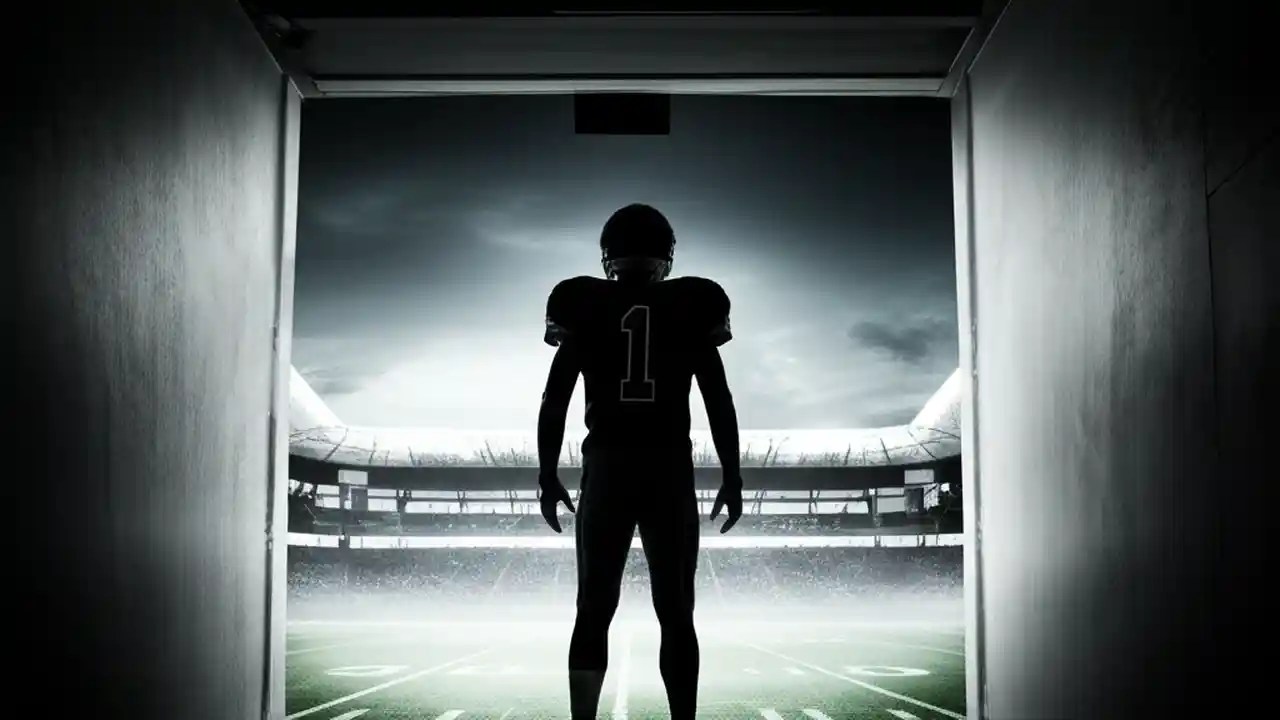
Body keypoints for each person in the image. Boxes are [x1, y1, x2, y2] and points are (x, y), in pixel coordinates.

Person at [537, 203, 743, 720]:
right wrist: (733, 473)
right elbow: (718, 398)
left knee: (593, 610)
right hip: (667, 468)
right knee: (677, 614)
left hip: (607, 467)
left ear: (607, 255)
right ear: (667, 256)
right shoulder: (692, 304)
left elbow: (555, 397)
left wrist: (547, 473)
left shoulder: (582, 303)